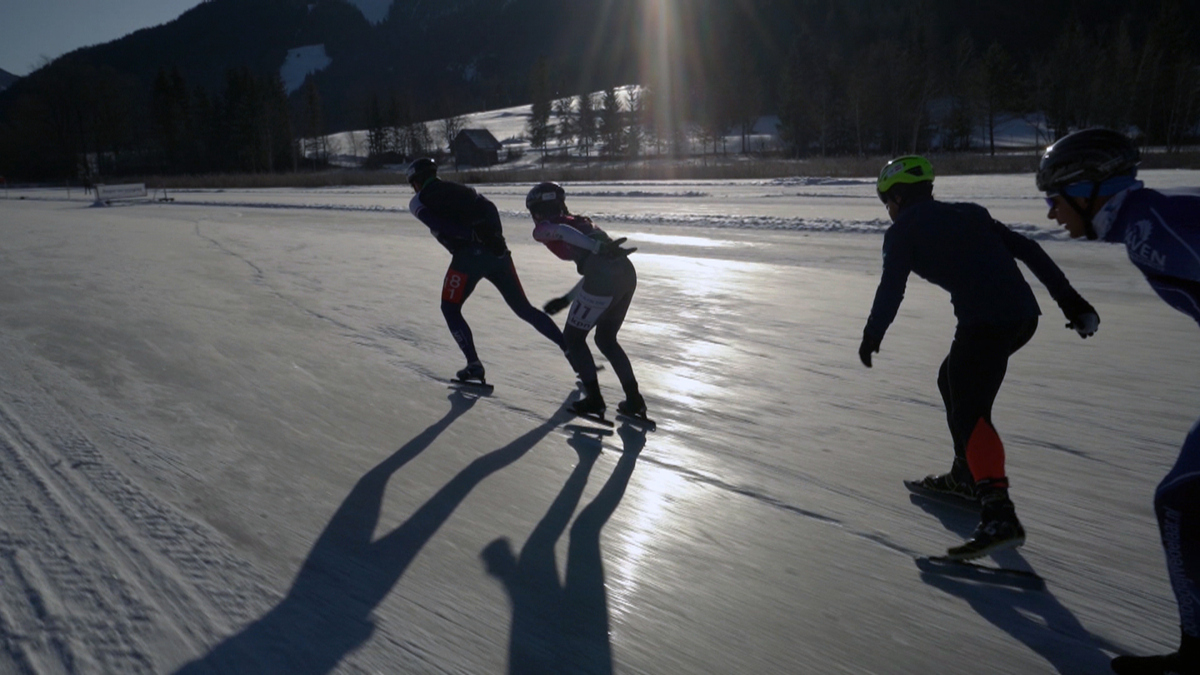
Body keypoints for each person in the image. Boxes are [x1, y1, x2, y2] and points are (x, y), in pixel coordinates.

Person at [859, 155, 1099, 560]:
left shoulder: (902, 231)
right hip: (1023, 317)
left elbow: (891, 288)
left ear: (898, 197)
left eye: (887, 202)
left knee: (971, 410)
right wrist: (1071, 303)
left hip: (985, 322)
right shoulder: (971, 213)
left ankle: (997, 511)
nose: (888, 211)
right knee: (950, 378)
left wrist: (872, 334)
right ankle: (966, 475)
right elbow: (1029, 249)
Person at [1037, 128, 1200, 675]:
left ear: (1089, 190)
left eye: (1055, 200)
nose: (1053, 214)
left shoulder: (1149, 228)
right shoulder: (1149, 219)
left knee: (1179, 503)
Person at [406, 158, 565, 384]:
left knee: (450, 308)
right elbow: (489, 206)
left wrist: (469, 236)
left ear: (417, 183)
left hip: (467, 259)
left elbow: (438, 224)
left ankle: (474, 365)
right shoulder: (462, 189)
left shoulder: (418, 201)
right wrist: (495, 237)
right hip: (497, 254)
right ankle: (572, 351)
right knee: (524, 309)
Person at [525, 181, 645, 420]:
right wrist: (567, 299)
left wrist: (596, 246)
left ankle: (595, 400)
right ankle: (634, 400)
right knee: (606, 339)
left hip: (604, 277)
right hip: (625, 274)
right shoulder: (581, 221)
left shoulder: (544, 229)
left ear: (538, 210)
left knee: (573, 338)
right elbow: (598, 267)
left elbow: (562, 234)